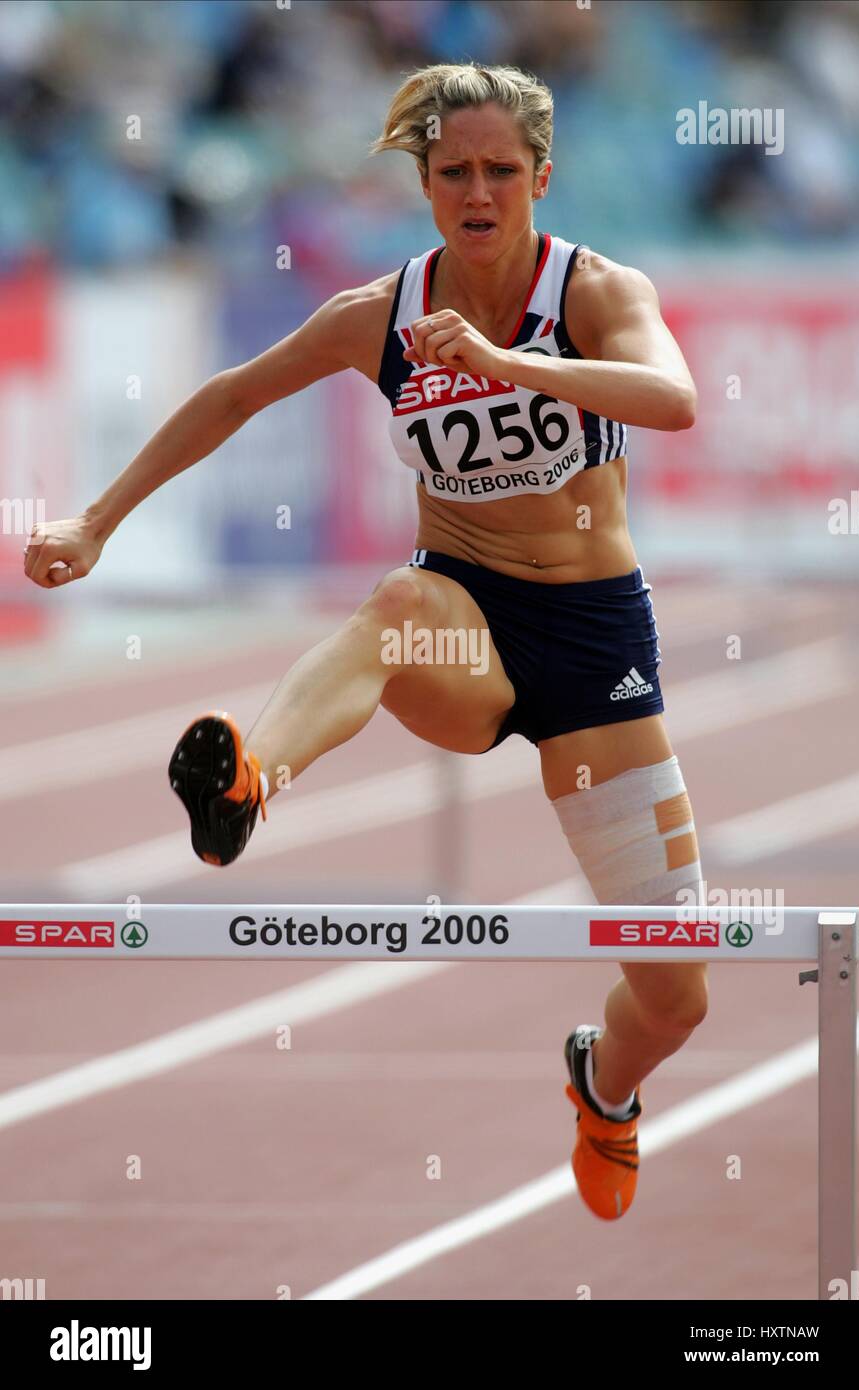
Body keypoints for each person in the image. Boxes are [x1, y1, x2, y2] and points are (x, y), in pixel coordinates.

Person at [23, 63, 706, 1223]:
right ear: (424, 183)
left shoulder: (589, 290)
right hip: (463, 620)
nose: (476, 191)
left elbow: (671, 396)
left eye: (499, 170)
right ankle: (248, 779)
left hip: (594, 647)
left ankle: (603, 1080)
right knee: (395, 606)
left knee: (677, 992)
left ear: (540, 176)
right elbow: (236, 396)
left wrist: (505, 366)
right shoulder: (377, 317)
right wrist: (98, 518)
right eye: (453, 172)